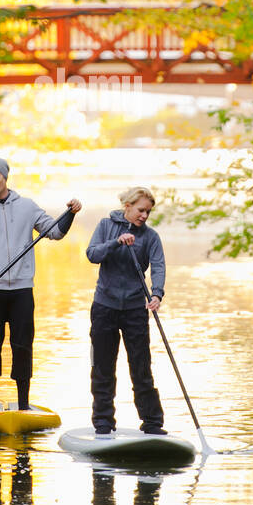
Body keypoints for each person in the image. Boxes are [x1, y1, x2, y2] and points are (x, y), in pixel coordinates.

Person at [0, 157, 81, 411]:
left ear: (5, 176)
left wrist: (70, 214)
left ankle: (24, 406)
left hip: (21, 292)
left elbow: (55, 232)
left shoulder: (27, 207)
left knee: (23, 347)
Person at [85, 186, 166, 435]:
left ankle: (152, 423)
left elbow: (159, 266)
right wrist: (116, 242)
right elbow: (92, 254)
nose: (144, 215)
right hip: (104, 307)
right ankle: (103, 422)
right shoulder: (105, 225)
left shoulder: (151, 237)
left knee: (141, 367)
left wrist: (156, 294)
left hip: (134, 309)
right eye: (141, 210)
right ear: (128, 206)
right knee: (103, 367)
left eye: (148, 212)